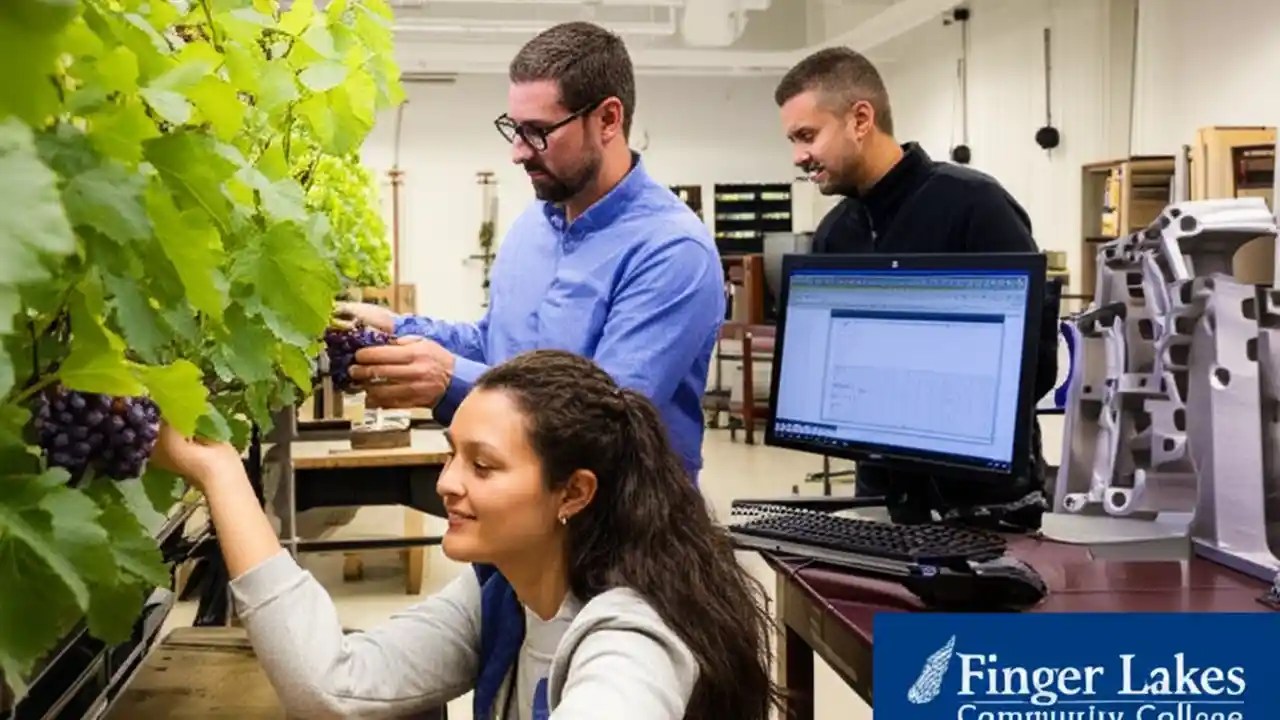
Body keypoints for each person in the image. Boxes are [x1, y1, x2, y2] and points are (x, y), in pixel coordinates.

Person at [151, 350, 782, 720]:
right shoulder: (499, 594)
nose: (449, 483)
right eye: (453, 455)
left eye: (483, 466)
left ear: (574, 493)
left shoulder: (630, 634)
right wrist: (220, 471)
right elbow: (332, 682)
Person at [341, 21, 724, 481]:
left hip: (617, 541)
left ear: (608, 119)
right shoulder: (533, 226)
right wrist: (398, 329)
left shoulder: (671, 250)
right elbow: (497, 346)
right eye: (514, 129)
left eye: (538, 132)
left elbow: (605, 419)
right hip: (515, 525)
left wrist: (450, 380)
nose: (518, 152)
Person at [774, 47, 1057, 531]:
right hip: (881, 500)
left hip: (982, 509)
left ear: (860, 119)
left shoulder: (973, 205)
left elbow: (1038, 364)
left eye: (807, 136)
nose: (799, 157)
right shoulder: (835, 234)